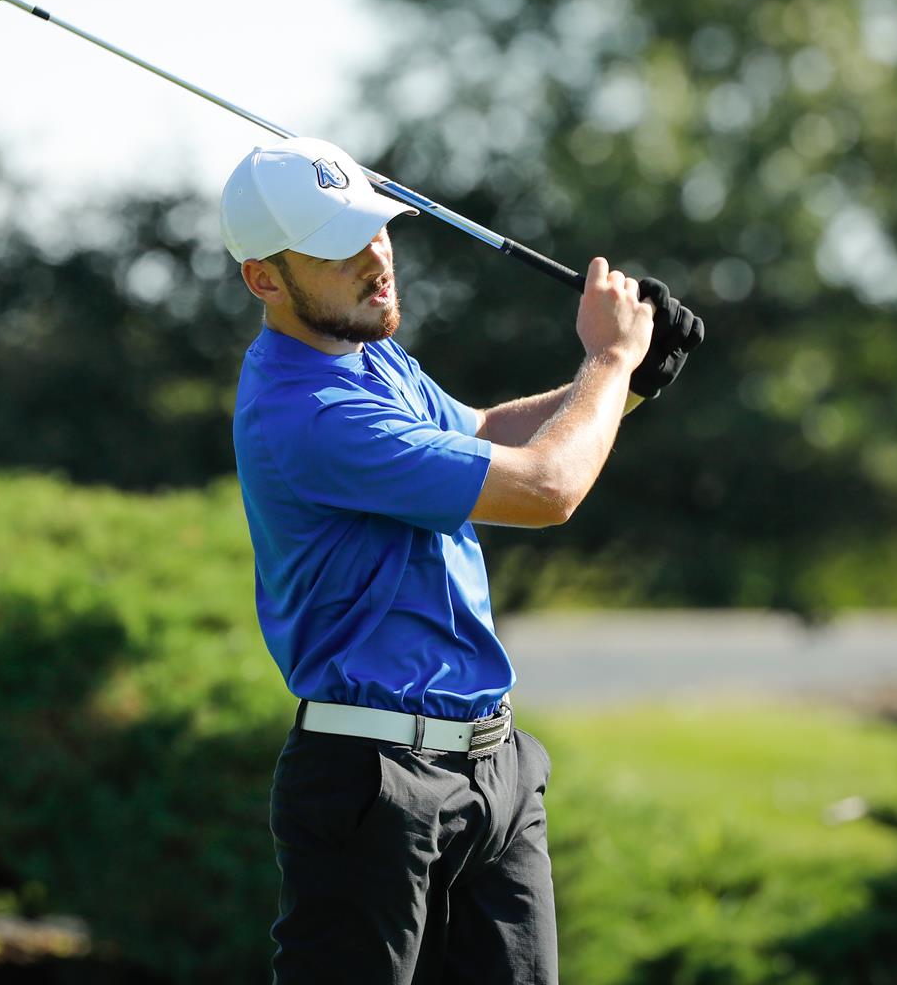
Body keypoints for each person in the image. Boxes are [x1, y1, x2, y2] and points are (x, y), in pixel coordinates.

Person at [222, 136, 701, 984]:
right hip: (374, 785)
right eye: (339, 248)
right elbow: (547, 487)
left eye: (377, 231)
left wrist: (630, 383)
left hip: (494, 768)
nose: (376, 261)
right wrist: (609, 359)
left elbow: (482, 433)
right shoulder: (307, 411)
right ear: (265, 279)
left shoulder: (368, 356)